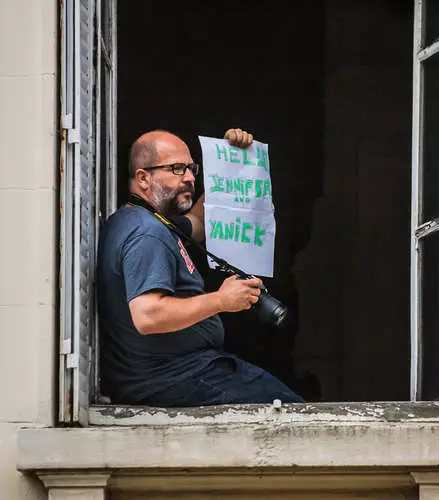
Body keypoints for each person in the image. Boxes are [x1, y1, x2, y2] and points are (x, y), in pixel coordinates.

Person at [97, 128, 304, 407]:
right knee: (295, 416)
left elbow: (199, 221)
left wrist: (235, 161)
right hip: (175, 379)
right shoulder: (147, 234)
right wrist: (221, 300)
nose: (191, 177)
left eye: (191, 169)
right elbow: (148, 315)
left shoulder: (147, 222)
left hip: (183, 374)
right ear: (143, 178)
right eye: (177, 169)